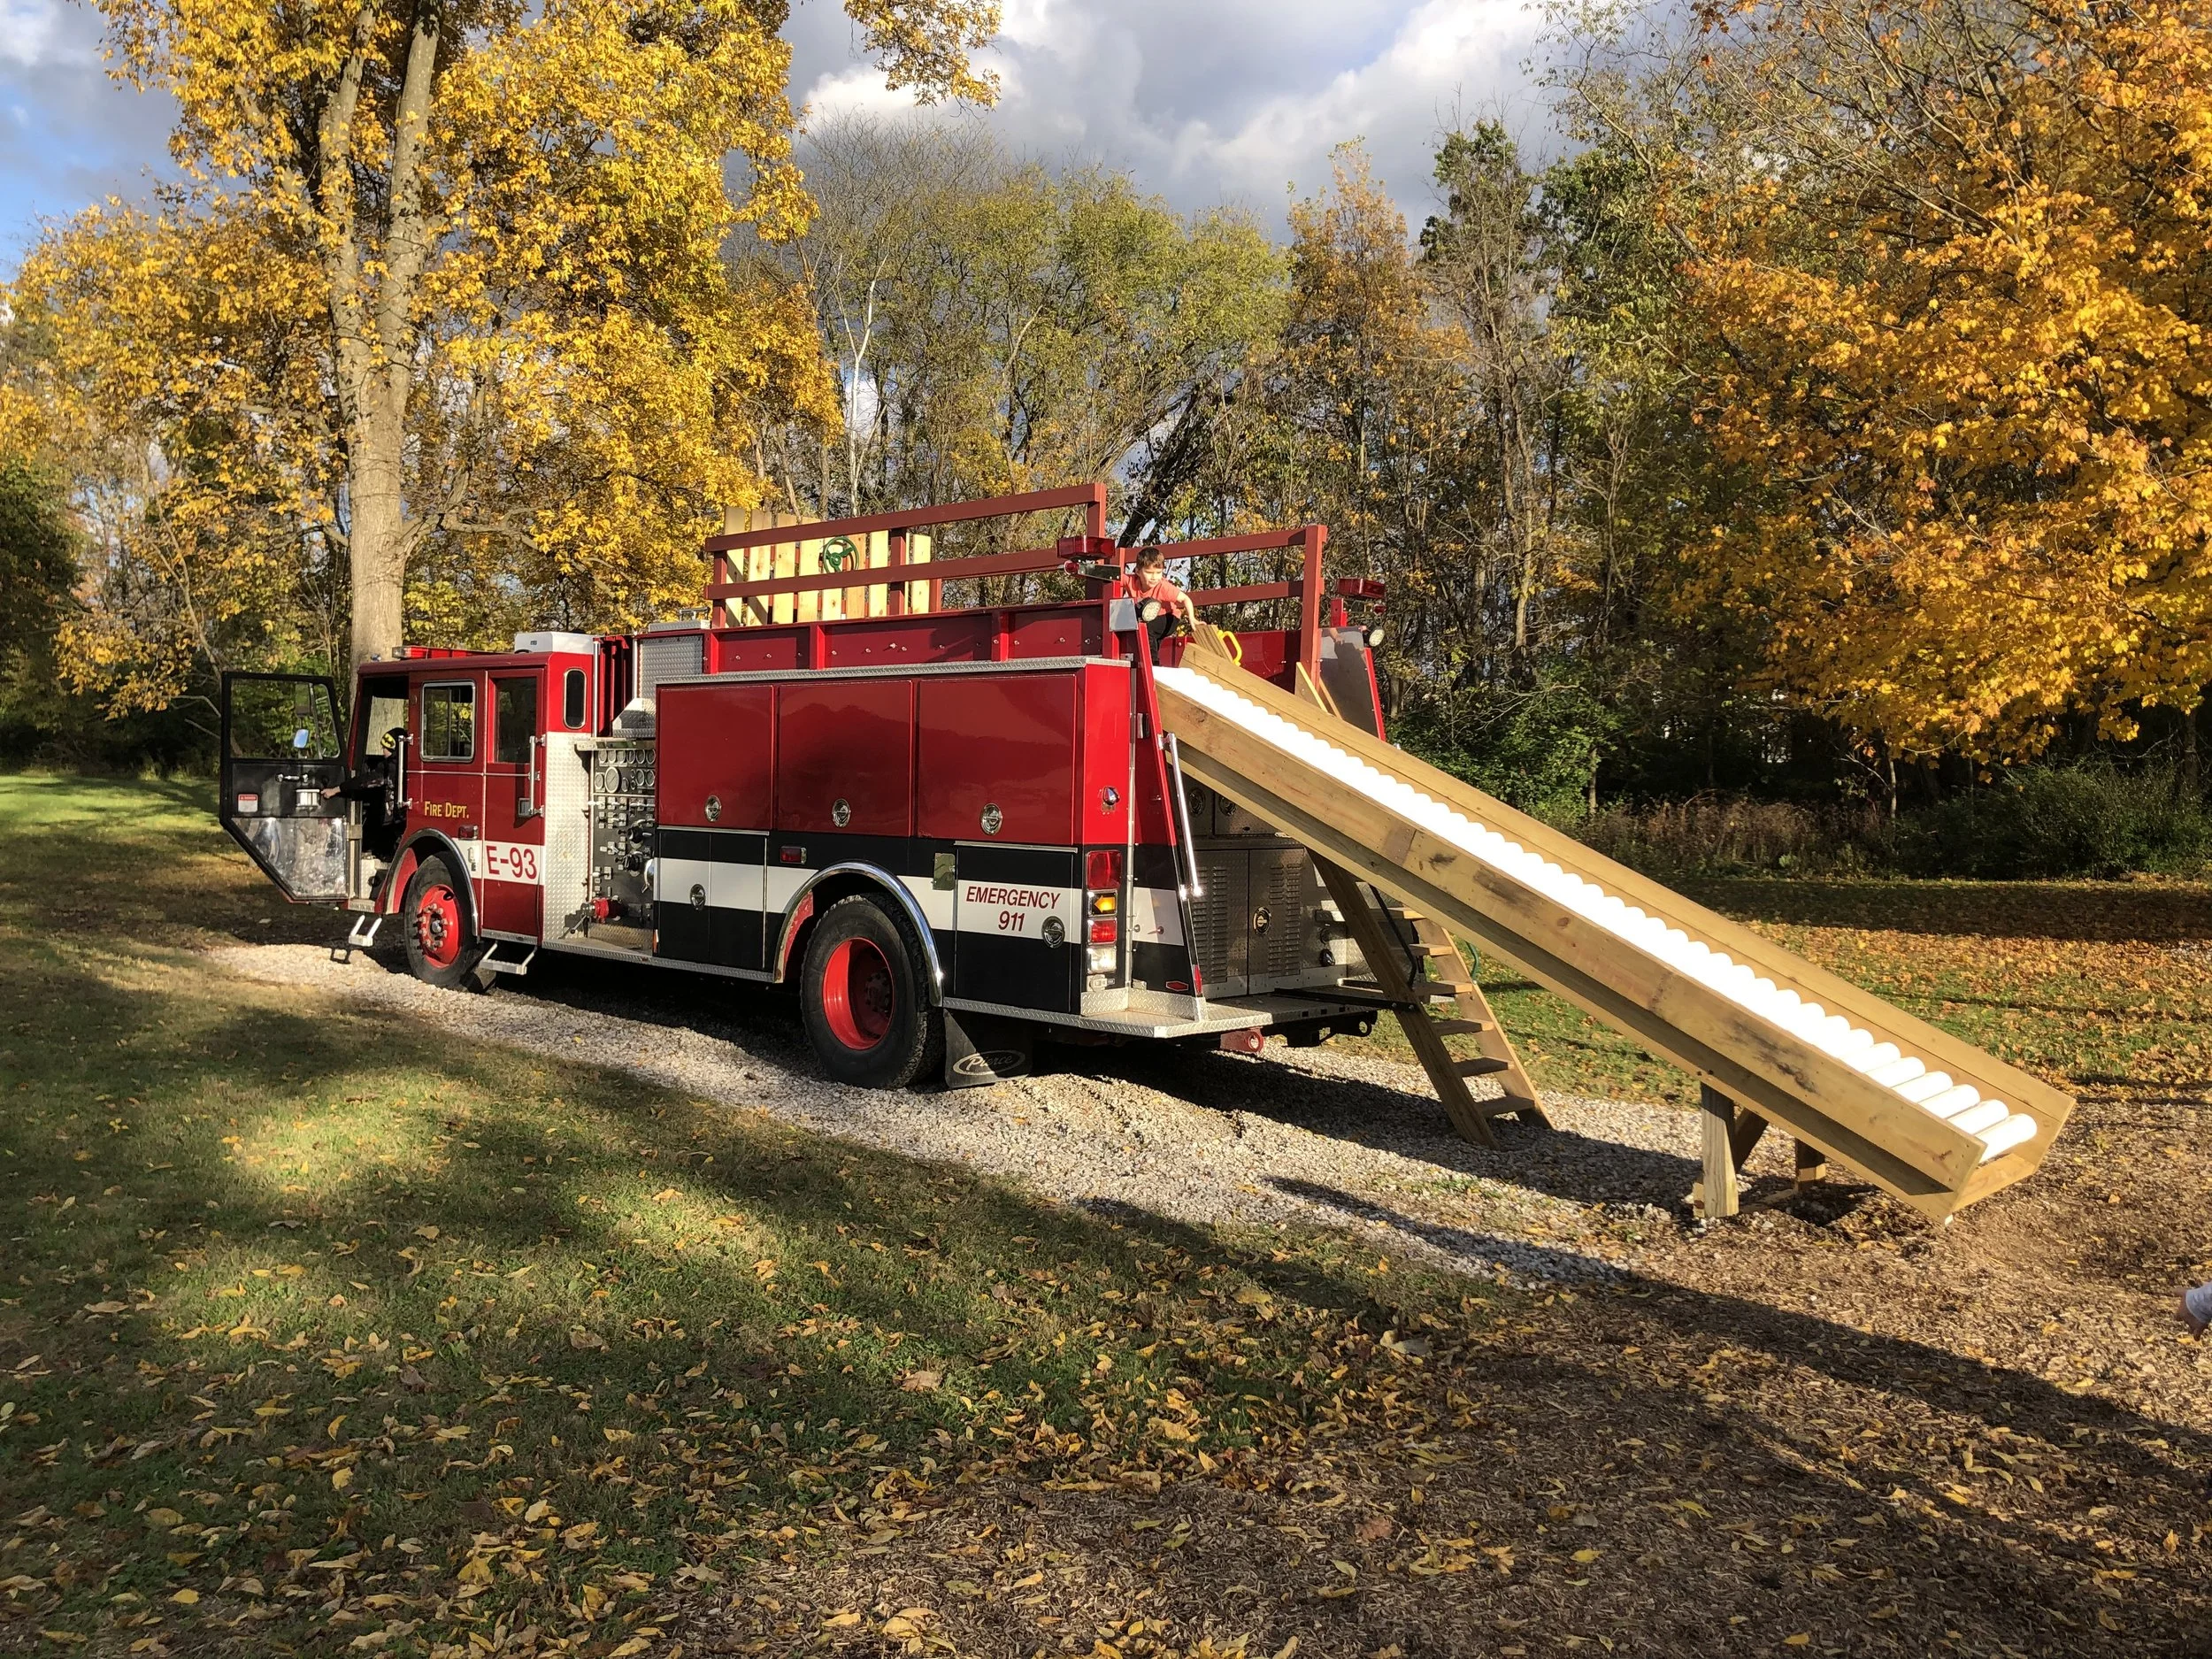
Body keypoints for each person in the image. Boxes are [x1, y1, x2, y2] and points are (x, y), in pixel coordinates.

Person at [1119, 547, 1189, 651]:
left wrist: (1192, 619)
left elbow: (1185, 599)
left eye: (1158, 573)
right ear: (1138, 571)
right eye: (1149, 572)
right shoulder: (1131, 581)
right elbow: (1113, 577)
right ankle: (1153, 662)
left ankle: (1152, 663)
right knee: (1137, 627)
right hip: (1150, 617)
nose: (1154, 577)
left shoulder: (1162, 586)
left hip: (1169, 617)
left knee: (1147, 628)